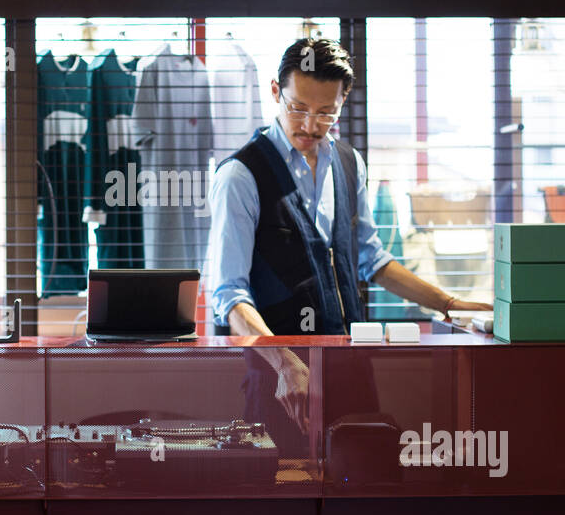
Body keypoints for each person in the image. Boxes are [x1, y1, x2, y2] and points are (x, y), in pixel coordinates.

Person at [206, 37, 490, 453]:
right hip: (279, 380)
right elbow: (229, 295)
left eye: (326, 113)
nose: (309, 125)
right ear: (274, 92)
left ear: (342, 103)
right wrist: (286, 363)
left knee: (362, 494)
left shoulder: (348, 161)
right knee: (281, 503)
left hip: (351, 369)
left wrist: (448, 303)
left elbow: (370, 258)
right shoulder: (241, 176)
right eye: (298, 107)